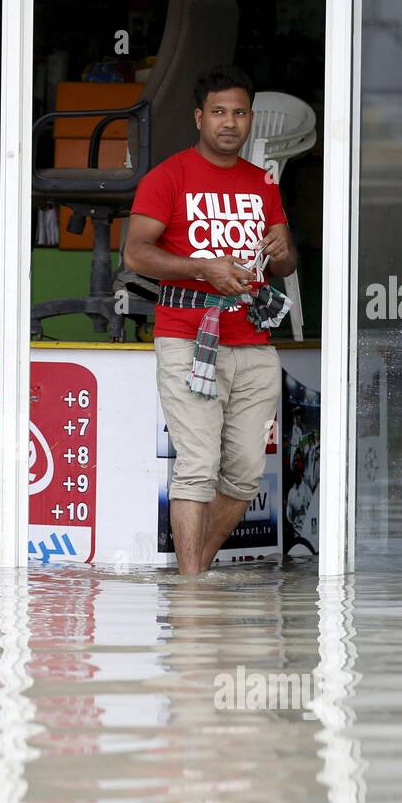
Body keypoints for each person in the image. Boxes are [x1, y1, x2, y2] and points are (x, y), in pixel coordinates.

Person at [124, 65, 297, 575]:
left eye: (239, 113)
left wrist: (284, 250)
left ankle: (191, 577)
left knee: (245, 474)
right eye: (218, 112)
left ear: (250, 120)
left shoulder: (262, 183)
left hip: (254, 341)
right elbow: (135, 254)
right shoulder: (169, 177)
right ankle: (193, 589)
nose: (229, 122)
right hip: (188, 338)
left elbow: (284, 263)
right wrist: (203, 267)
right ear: (199, 117)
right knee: (196, 469)